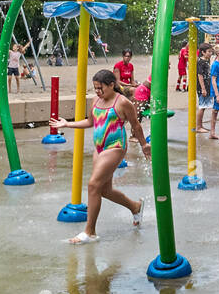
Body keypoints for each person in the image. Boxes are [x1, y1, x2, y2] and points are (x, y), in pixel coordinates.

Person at [50, 69, 150, 244]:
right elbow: (90, 122)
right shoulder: (95, 100)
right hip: (99, 147)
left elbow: (136, 125)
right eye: (95, 88)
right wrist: (67, 123)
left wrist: (144, 145)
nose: (97, 91)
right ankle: (135, 206)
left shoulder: (123, 102)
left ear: (112, 85)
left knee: (93, 185)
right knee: (104, 190)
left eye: (100, 87)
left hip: (115, 146)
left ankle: (90, 232)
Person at [194, 43, 214, 132]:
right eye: (209, 52)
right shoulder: (200, 62)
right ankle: (198, 127)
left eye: (211, 51)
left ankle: (200, 125)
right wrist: (203, 89)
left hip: (206, 86)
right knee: (202, 106)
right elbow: (200, 75)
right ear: (203, 52)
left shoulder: (206, 61)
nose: (210, 53)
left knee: (204, 106)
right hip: (202, 87)